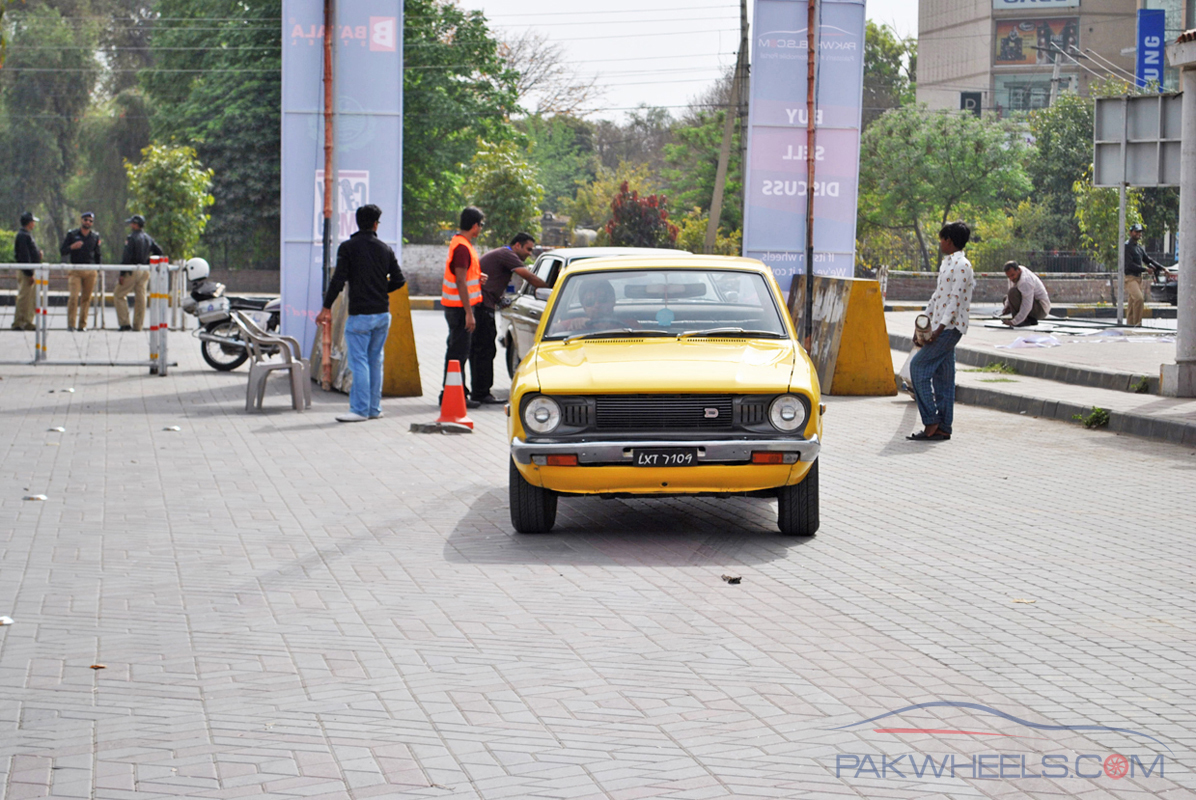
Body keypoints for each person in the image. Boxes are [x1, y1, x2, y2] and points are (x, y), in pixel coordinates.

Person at [315, 204, 406, 423]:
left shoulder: (348, 248)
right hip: (382, 314)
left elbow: (338, 280)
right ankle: (374, 408)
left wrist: (326, 308)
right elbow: (399, 280)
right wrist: (379, 289)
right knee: (375, 360)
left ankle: (359, 409)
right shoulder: (385, 249)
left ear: (358, 222)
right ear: (376, 224)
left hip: (360, 316)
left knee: (359, 362)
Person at [908, 221, 975, 442]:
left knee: (918, 368)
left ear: (950, 240)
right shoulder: (947, 263)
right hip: (939, 326)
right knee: (943, 378)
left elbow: (955, 301)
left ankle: (931, 421)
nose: (940, 243)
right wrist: (923, 324)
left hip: (950, 328)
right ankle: (943, 427)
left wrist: (939, 329)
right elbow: (937, 297)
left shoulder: (962, 265)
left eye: (942, 239)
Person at [470, 232, 545, 404]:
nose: (529, 253)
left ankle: (478, 391)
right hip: (482, 307)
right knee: (485, 350)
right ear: (517, 245)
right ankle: (481, 393)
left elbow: (492, 283)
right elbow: (528, 277)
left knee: (480, 350)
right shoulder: (507, 254)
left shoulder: (502, 255)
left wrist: (499, 299)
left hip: (483, 304)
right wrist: (555, 288)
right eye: (528, 249)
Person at [440, 206, 486, 408]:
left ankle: (457, 393)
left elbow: (465, 277)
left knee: (458, 351)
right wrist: (469, 313)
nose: (481, 229)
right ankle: (451, 395)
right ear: (475, 225)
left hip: (458, 307)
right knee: (458, 353)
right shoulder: (462, 247)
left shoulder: (461, 244)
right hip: (460, 310)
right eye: (481, 225)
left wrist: (477, 277)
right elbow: (460, 281)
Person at [115, 214, 163, 331]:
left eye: (132, 223)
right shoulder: (148, 238)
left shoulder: (131, 238)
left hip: (132, 270)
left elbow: (127, 257)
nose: (131, 225)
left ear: (136, 225)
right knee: (141, 297)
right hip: (145, 270)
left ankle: (125, 323)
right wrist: (147, 261)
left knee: (119, 294)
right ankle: (138, 325)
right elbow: (159, 251)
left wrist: (122, 273)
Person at [60, 211, 102, 331]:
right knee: (73, 297)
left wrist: (99, 269)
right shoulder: (72, 234)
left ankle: (82, 325)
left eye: (90, 221)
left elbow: (98, 255)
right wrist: (72, 247)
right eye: (86, 220)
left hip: (90, 270)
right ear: (81, 220)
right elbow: (63, 250)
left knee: (86, 298)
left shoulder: (95, 236)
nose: (88, 222)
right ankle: (71, 324)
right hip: (75, 269)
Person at [1124, 223, 1163, 327]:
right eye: (1136, 232)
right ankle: (1137, 324)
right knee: (1139, 299)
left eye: (1140, 232)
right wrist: (1145, 269)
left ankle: (1129, 325)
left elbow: (1148, 260)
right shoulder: (1127, 246)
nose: (1138, 234)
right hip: (1130, 278)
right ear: (1130, 232)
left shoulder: (1138, 248)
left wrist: (1163, 268)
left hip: (1138, 279)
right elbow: (1129, 265)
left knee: (1132, 303)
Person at [12, 211, 40, 331]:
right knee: (24, 297)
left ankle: (28, 321)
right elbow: (24, 256)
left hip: (30, 269)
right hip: (26, 271)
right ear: (29, 223)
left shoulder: (26, 235)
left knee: (31, 298)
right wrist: (29, 273)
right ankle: (18, 322)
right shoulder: (23, 236)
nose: (34, 224)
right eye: (33, 222)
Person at [1000, 261, 1050, 327]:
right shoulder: (1015, 274)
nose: (1011, 278)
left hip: (1040, 310)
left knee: (1013, 293)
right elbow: (1009, 296)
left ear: (1018, 270)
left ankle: (1023, 321)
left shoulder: (1025, 281)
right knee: (1006, 298)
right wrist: (1006, 308)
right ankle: (1027, 319)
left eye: (1012, 275)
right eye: (1009, 276)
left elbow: (1027, 305)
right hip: (1032, 305)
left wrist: (1014, 322)